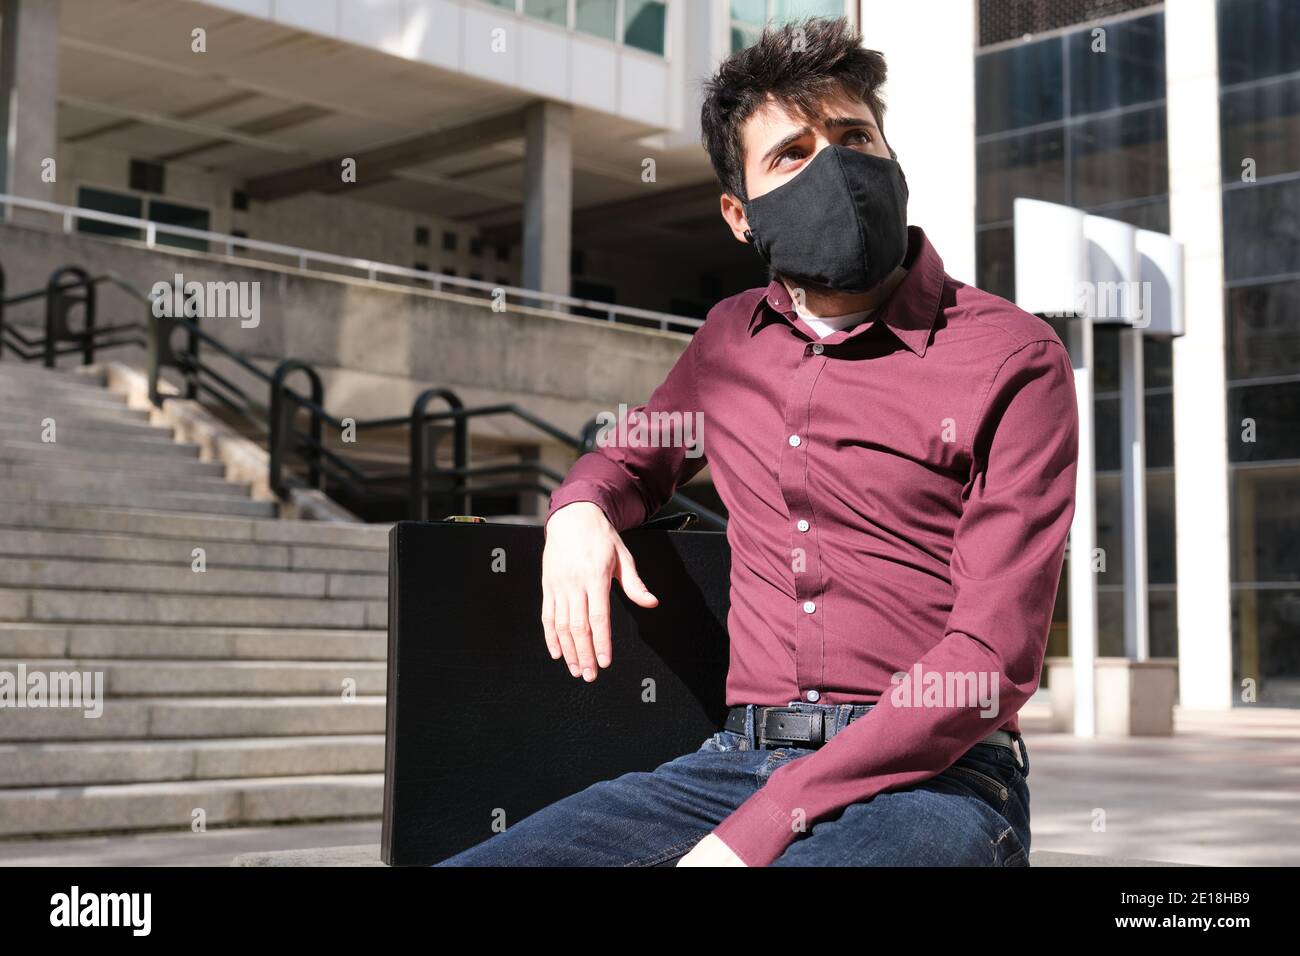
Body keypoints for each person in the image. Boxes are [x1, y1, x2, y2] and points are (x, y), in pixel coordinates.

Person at [436, 15, 1079, 868]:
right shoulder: (728, 341)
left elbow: (992, 657)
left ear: (892, 161)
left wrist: (757, 834)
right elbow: (631, 458)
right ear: (741, 215)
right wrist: (580, 509)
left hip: (938, 778)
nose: (837, 168)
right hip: (734, 761)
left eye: (856, 137)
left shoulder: (1013, 355)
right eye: (792, 154)